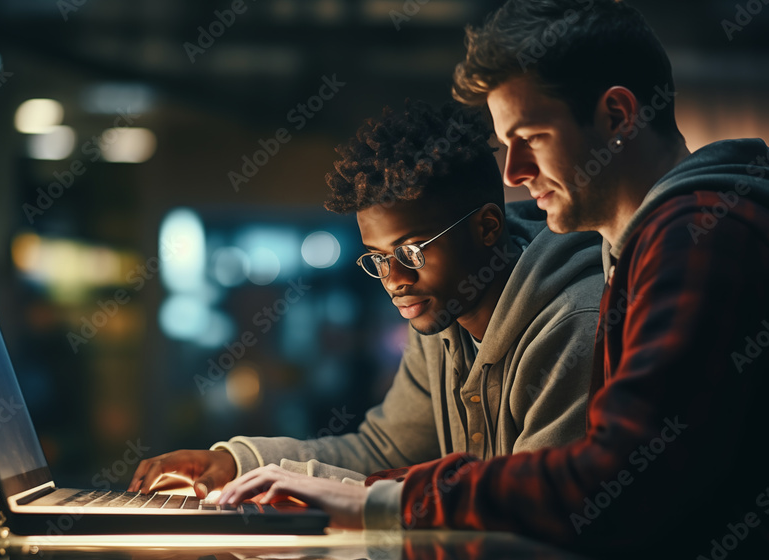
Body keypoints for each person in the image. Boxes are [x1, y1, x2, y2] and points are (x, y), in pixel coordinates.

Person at [216, 1, 769, 558]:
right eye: (504, 143)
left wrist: (387, 502)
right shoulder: (661, 243)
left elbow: (614, 485)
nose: (514, 172)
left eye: (532, 137)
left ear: (618, 114)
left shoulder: (696, 240)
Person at [130, 100, 605, 511]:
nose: (395, 281)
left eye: (412, 252)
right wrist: (236, 463)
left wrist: (371, 509)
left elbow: (533, 516)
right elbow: (388, 446)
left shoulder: (574, 324)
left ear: (485, 228)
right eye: (378, 259)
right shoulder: (442, 321)